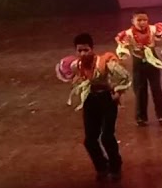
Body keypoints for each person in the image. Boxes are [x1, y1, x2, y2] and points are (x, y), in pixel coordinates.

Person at [55, 33, 131, 180]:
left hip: (107, 100)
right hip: (90, 101)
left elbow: (124, 76)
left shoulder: (104, 62)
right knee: (90, 140)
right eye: (79, 51)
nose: (83, 53)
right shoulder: (77, 65)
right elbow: (73, 78)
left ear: (92, 49)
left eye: (86, 50)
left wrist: (118, 91)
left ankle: (115, 166)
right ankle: (102, 166)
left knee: (107, 136)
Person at [115, 11, 162, 126]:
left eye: (145, 20)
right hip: (138, 63)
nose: (142, 23)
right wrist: (123, 54)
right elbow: (122, 46)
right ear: (133, 21)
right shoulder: (128, 34)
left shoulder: (154, 30)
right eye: (139, 20)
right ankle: (141, 117)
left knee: (156, 88)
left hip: (152, 61)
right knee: (140, 90)